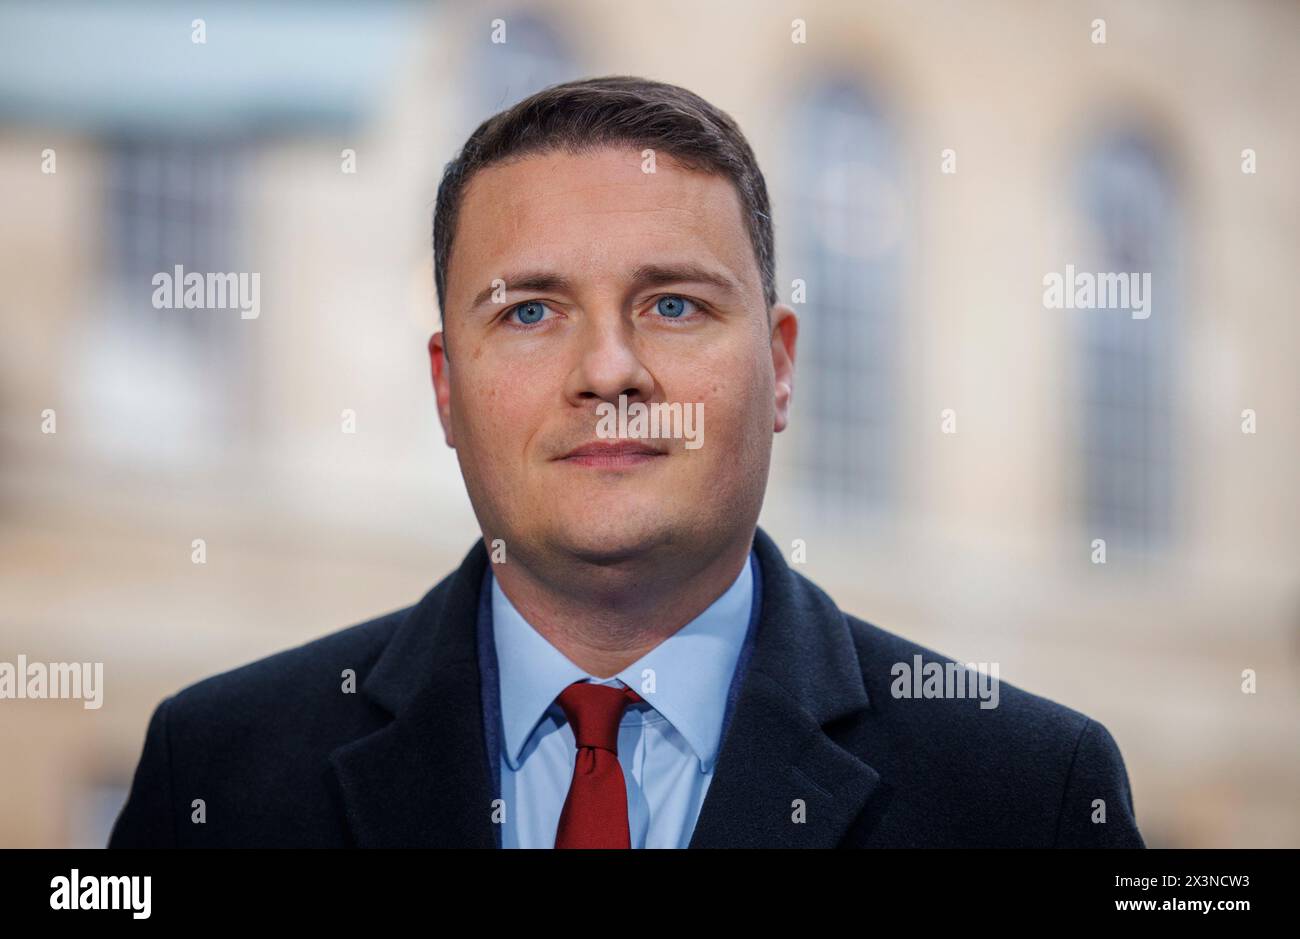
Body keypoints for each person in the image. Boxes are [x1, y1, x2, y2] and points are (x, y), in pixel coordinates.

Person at [109, 75, 1143, 849]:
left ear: (780, 369)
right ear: (444, 390)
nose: (608, 370)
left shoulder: (1029, 799)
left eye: (674, 306)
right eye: (528, 311)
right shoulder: (216, 773)